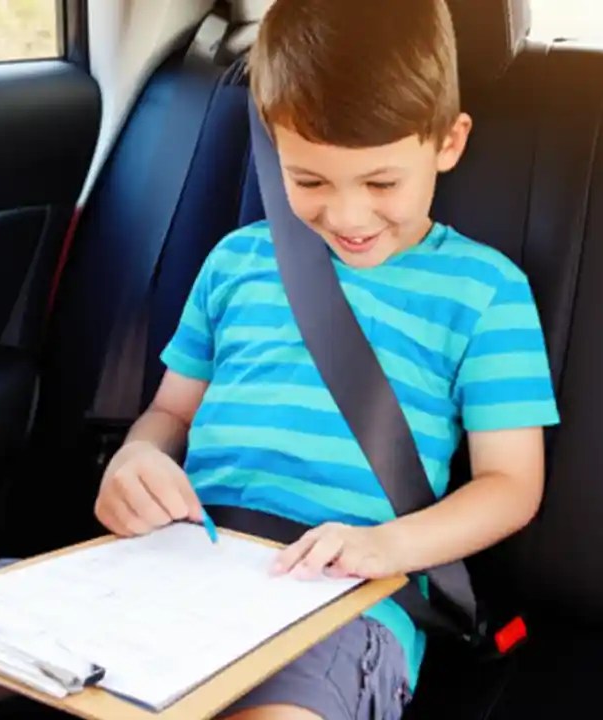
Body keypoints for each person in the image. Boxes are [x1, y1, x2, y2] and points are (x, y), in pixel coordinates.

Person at [90, 1, 559, 719]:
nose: (346, 217)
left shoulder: (485, 292)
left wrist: (386, 547)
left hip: (339, 604)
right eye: (307, 182)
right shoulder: (235, 263)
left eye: (380, 184)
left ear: (448, 142)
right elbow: (169, 412)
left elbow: (511, 487)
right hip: (179, 564)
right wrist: (133, 461)